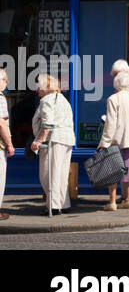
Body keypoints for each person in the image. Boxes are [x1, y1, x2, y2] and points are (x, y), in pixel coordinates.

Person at [98, 71, 129, 210]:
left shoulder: (113, 99)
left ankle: (112, 202)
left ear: (116, 84)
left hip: (117, 140)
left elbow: (110, 124)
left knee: (112, 171)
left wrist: (104, 142)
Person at [31, 73, 75, 215]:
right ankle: (64, 204)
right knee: (60, 174)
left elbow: (48, 123)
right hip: (67, 139)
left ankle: (54, 207)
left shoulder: (47, 100)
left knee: (48, 174)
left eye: (39, 87)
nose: (37, 90)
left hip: (54, 140)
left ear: (45, 88)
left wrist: (39, 140)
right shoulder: (64, 100)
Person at [0, 69, 13, 221]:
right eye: (5, 80)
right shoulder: (1, 98)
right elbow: (2, 123)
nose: (6, 83)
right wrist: (9, 144)